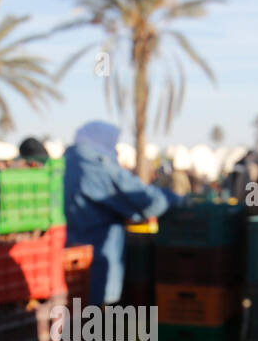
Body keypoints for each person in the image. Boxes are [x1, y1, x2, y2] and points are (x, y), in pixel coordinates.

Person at [63, 121, 176, 305]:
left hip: (69, 267)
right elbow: (149, 202)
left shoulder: (66, 162)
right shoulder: (95, 166)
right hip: (96, 266)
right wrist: (174, 199)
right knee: (94, 324)